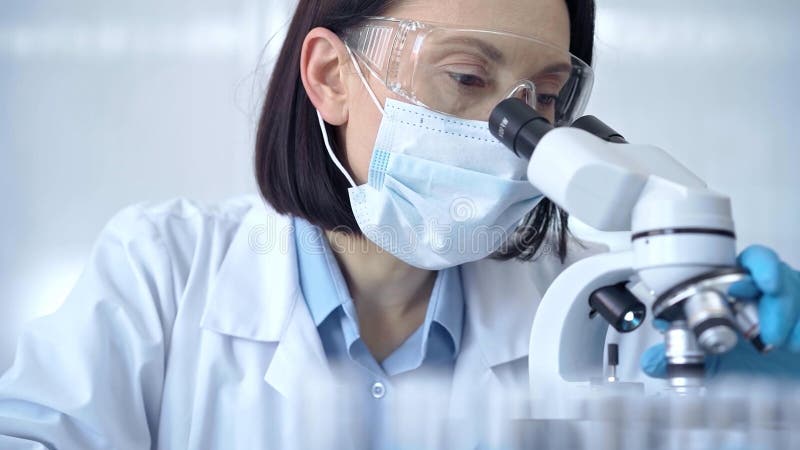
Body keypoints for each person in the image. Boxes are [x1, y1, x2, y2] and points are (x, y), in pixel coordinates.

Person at [1, 0, 798, 448]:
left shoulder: (592, 308)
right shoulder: (163, 273)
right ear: (330, 77)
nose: (510, 129)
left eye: (544, 100)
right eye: (465, 76)